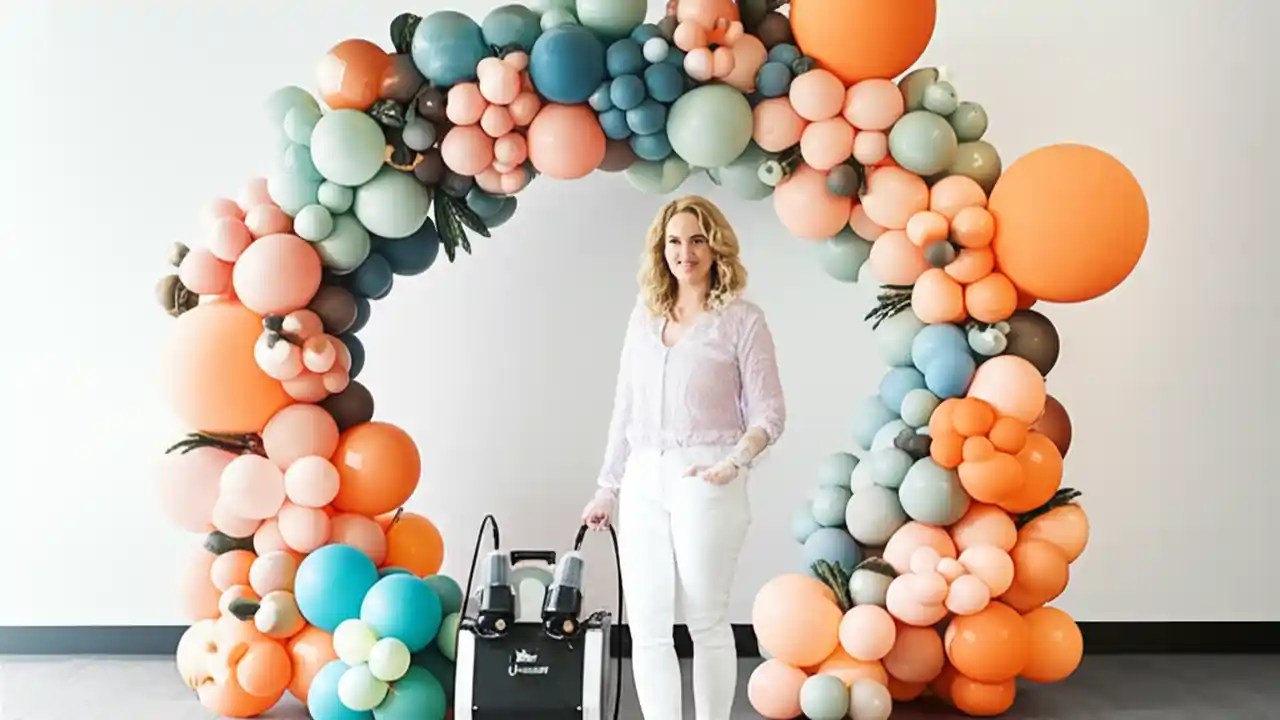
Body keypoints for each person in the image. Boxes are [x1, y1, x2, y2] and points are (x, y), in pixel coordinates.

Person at [580, 195, 786, 720]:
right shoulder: (644, 318)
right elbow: (624, 404)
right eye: (675, 241)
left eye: (697, 240)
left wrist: (734, 462)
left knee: (706, 621)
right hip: (645, 477)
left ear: (715, 247)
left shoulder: (742, 320)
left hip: (709, 477)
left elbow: (770, 414)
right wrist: (608, 486)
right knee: (647, 628)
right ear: (661, 249)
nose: (685, 252)